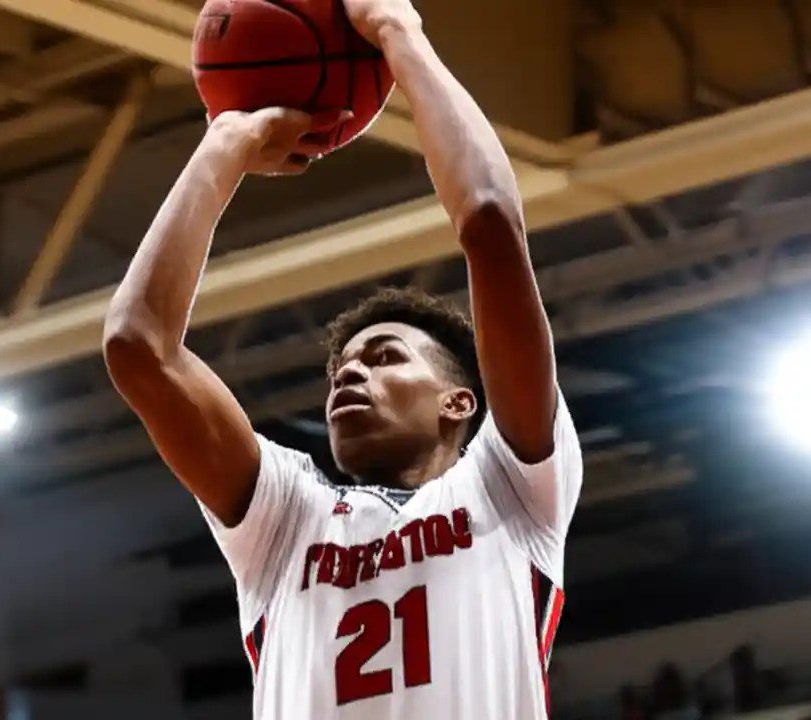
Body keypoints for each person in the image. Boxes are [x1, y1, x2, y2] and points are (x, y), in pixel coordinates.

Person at [102, 0, 582, 716]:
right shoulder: (288, 519)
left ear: (459, 402)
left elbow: (489, 221)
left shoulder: (510, 492)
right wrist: (227, 141)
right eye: (339, 371)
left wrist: (398, 32)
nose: (350, 375)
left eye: (385, 358)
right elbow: (137, 347)